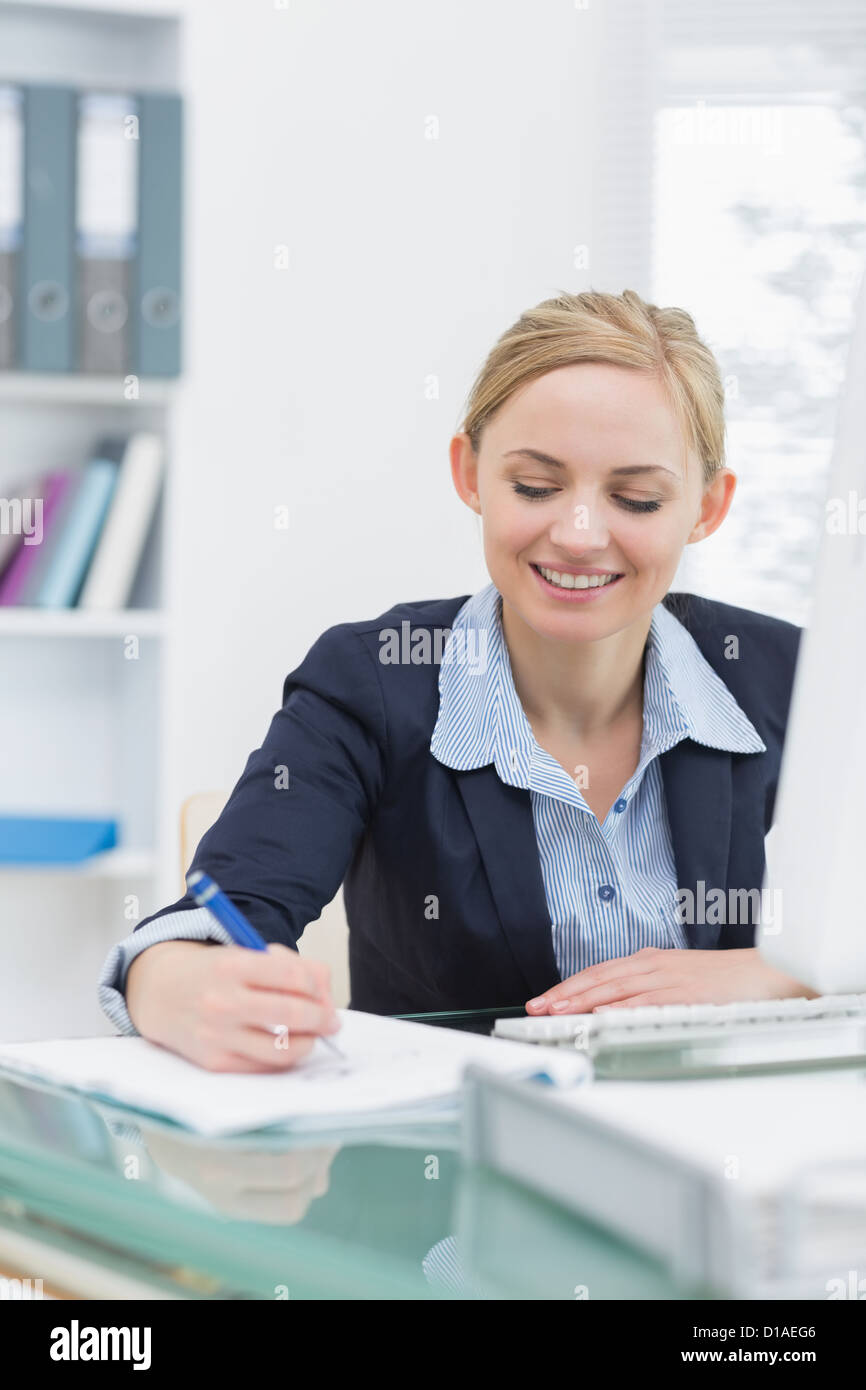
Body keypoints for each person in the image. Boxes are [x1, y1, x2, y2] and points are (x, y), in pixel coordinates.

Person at [98, 288, 813, 1072]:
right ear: (469, 474)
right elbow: (203, 927)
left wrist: (782, 973)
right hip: (444, 1166)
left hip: (717, 1156)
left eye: (635, 498)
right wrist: (180, 988)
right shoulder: (369, 681)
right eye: (535, 487)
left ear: (708, 506)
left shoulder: (787, 679)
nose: (578, 536)